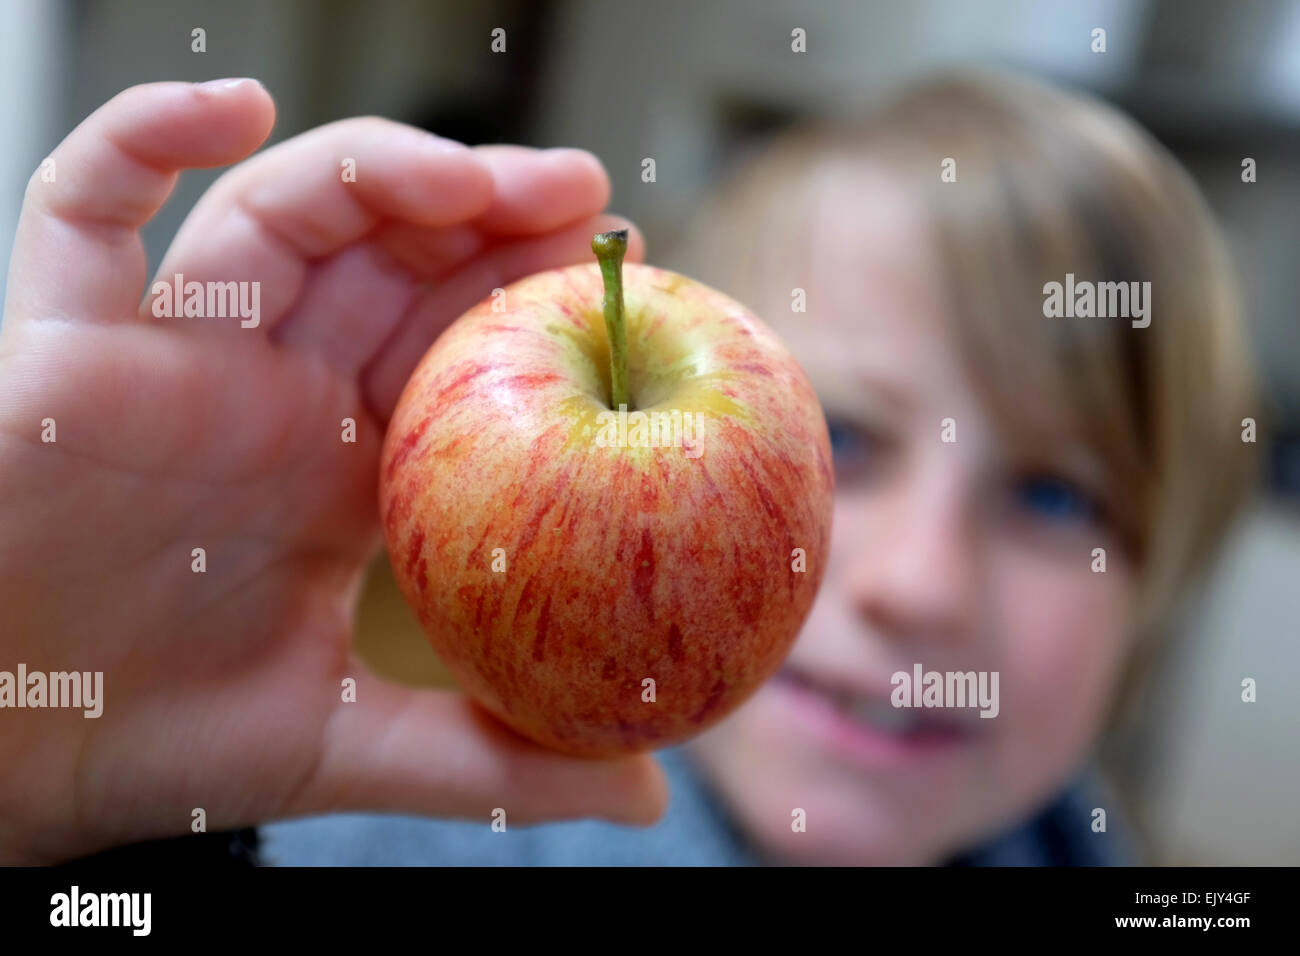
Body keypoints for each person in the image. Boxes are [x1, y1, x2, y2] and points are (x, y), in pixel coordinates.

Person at [0, 70, 1258, 867]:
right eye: (848, 438)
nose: (918, 585)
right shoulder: (377, 844)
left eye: (1055, 497)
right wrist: (61, 807)